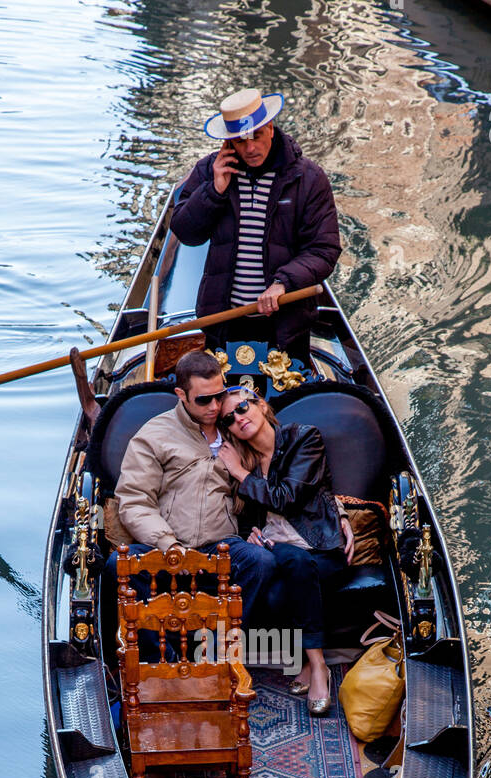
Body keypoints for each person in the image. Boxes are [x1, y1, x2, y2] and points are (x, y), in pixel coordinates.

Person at [169, 88, 341, 364]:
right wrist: (214, 190)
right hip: (224, 320)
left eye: (256, 137)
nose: (250, 149)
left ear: (270, 128)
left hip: (286, 325)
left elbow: (324, 250)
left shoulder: (309, 178)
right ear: (229, 143)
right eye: (240, 141)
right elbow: (186, 234)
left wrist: (282, 284)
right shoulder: (208, 171)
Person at [112, 349, 277, 627]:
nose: (214, 407)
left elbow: (280, 462)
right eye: (203, 400)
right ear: (181, 394)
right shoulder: (155, 434)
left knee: (261, 562)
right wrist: (170, 545)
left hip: (221, 548)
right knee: (116, 566)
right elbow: (135, 500)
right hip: (167, 548)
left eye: (218, 395)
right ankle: (160, 657)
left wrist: (338, 513)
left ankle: (214, 651)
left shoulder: (236, 426)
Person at [218, 387, 348, 716]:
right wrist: (251, 534)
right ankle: (315, 662)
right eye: (229, 418)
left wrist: (238, 472)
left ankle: (316, 666)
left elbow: (287, 497)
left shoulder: (304, 438)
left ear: (261, 404)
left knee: (297, 563)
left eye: (243, 407)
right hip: (281, 553)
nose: (239, 418)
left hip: (320, 546)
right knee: (287, 567)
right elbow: (246, 518)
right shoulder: (246, 460)